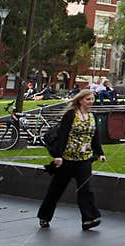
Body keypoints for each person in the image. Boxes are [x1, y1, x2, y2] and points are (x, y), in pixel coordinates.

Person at [38, 89, 105, 230]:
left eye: (92, 99)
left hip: (84, 159)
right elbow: (62, 135)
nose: (91, 102)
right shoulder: (70, 115)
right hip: (67, 159)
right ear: (80, 100)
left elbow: (95, 136)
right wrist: (58, 155)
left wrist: (100, 153)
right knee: (56, 189)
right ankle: (44, 216)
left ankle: (88, 220)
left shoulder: (92, 116)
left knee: (85, 189)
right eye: (88, 99)